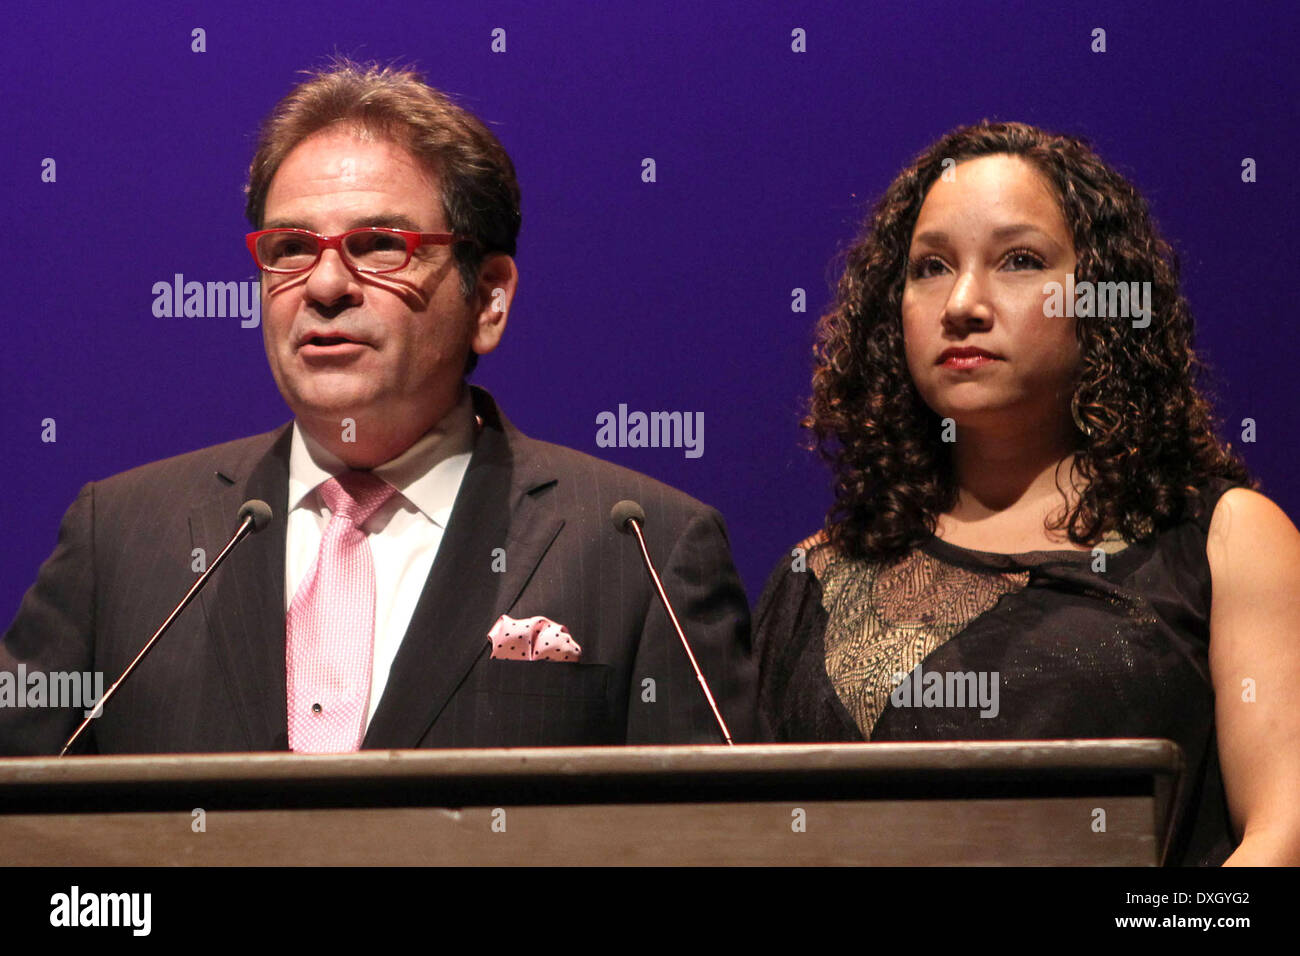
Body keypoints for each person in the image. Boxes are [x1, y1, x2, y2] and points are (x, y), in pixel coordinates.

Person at [0, 58, 755, 755]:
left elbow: (723, 841)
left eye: (378, 244)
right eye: (291, 247)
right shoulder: (122, 538)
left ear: (488, 298)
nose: (325, 286)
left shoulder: (639, 546)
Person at [754, 121, 1300, 866]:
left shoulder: (1225, 541)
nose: (964, 303)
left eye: (1019, 261)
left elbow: (1283, 838)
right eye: (930, 267)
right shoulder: (815, 578)